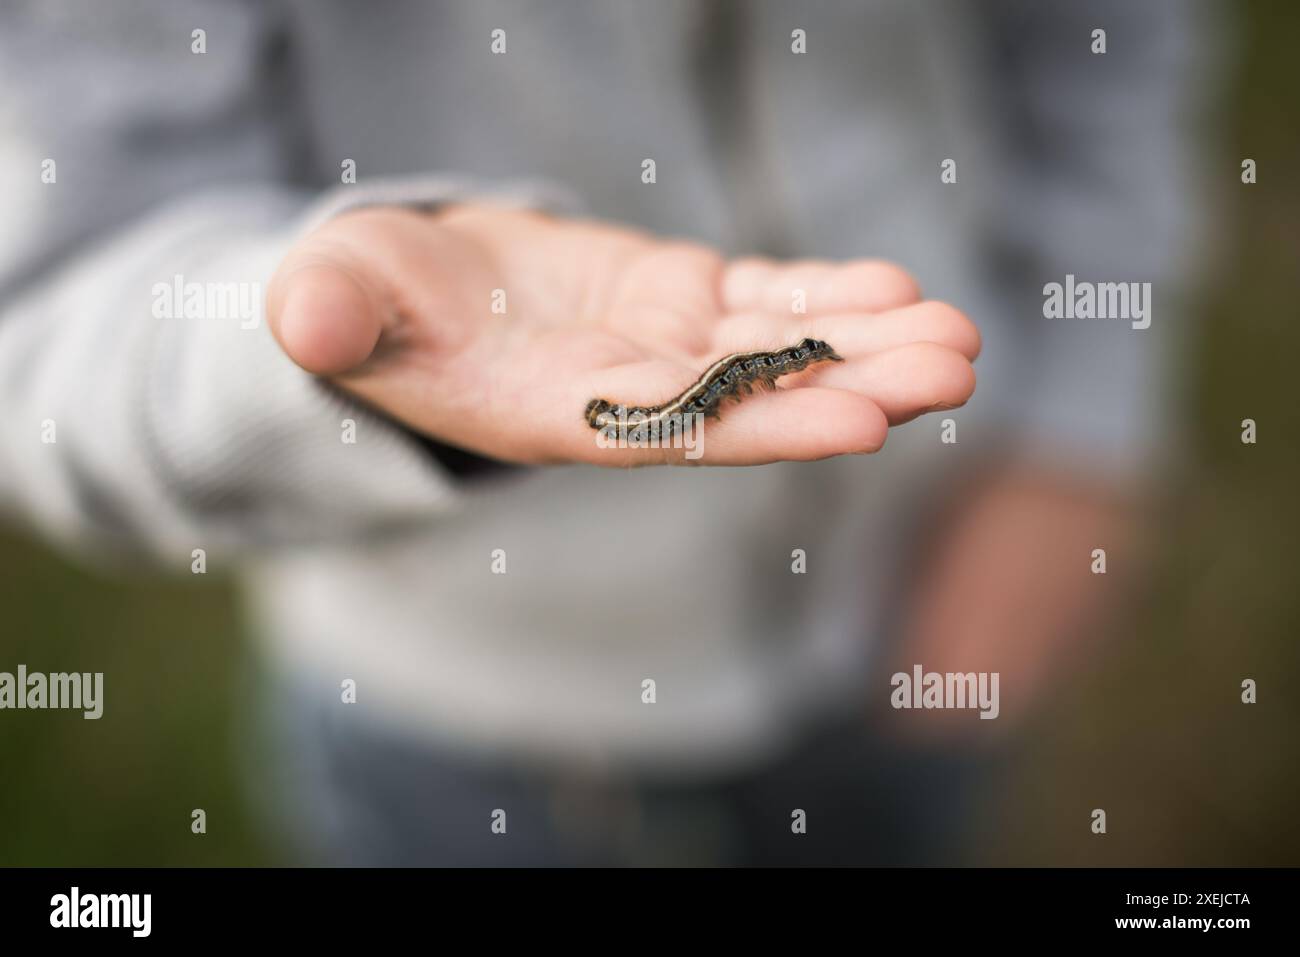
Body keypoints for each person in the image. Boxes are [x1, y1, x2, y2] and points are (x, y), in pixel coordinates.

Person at [0, 1, 1211, 864]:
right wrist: (295, 369)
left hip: (892, 615)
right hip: (448, 719)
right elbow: (57, 331)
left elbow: (1101, 43)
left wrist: (1076, 425)